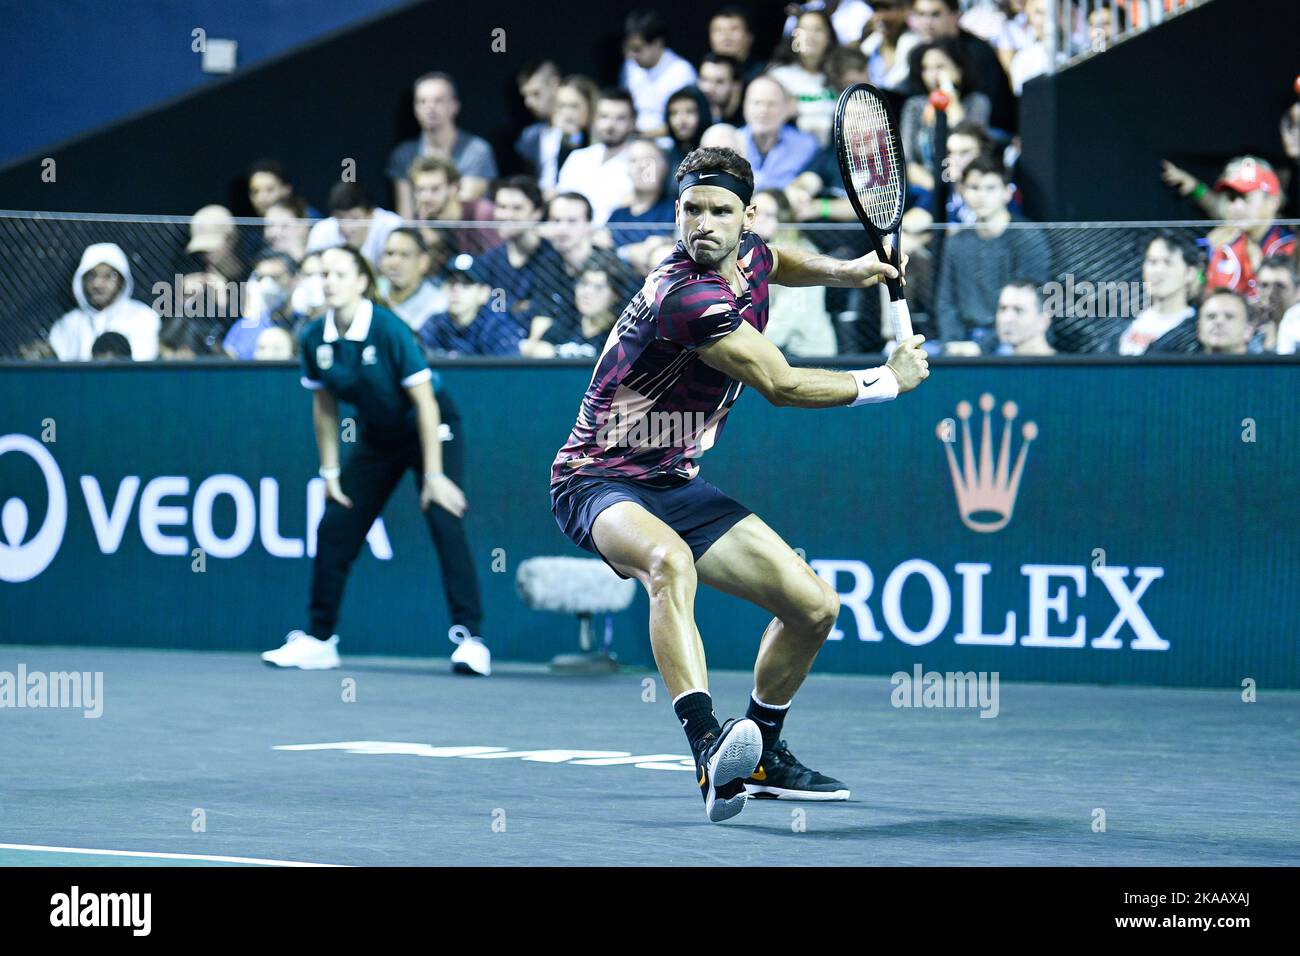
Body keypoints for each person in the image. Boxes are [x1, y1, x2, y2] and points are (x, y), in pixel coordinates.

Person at [548, 146, 929, 823]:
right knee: (667, 563)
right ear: (676, 212)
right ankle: (705, 745)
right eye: (691, 209)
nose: (704, 224)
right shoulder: (684, 295)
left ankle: (761, 754)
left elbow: (777, 260)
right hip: (595, 479)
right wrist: (885, 380)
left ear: (746, 216)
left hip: (672, 480)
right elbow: (781, 385)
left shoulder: (750, 251)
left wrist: (847, 271)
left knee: (813, 608)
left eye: (721, 211)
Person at [262, 246, 489, 675]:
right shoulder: (313, 337)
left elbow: (425, 402)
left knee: (444, 517)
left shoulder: (388, 329)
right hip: (377, 437)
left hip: (431, 425)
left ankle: (471, 640)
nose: (329, 282)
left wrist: (435, 475)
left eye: (340, 274)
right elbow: (324, 407)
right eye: (324, 274)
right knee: (335, 525)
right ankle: (320, 639)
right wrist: (329, 471)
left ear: (362, 281)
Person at [934, 157, 1050, 351]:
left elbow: (1030, 305)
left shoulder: (1028, 237)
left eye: (990, 188)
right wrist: (952, 343)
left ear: (1006, 193)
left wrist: (983, 347)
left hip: (1014, 340)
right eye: (974, 187)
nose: (981, 196)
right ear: (962, 192)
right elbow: (945, 301)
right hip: (965, 339)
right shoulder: (956, 242)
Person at [387, 72, 498, 216]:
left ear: (455, 105)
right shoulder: (403, 154)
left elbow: (460, 211)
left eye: (438, 100)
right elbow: (406, 216)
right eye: (422, 101)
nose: (430, 107)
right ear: (415, 108)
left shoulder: (477, 150)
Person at [903, 0, 1015, 135]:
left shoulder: (978, 52)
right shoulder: (916, 54)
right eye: (921, 14)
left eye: (935, 14)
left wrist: (949, 93)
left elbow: (993, 109)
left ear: (955, 16)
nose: (927, 22)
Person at [751, 188, 836, 356]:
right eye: (755, 213)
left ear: (782, 219)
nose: (759, 221)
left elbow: (788, 319)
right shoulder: (750, 252)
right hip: (773, 348)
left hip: (805, 353)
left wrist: (742, 342)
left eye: (768, 215)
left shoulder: (799, 254)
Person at [900, 39, 992, 192]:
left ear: (959, 69)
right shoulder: (915, 106)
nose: (932, 74)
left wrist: (948, 92)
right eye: (926, 68)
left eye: (940, 67)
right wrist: (936, 190)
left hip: (966, 184)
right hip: (926, 187)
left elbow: (966, 136)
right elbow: (907, 160)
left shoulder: (976, 102)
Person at [48, 242, 160, 361]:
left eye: (108, 276)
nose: (97, 284)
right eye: (91, 276)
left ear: (122, 280)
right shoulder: (69, 324)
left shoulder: (143, 318)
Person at [1204, 159, 1296, 301]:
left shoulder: (1294, 248)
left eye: (1245, 197)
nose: (1237, 206)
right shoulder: (1221, 250)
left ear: (1273, 202)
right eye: (1232, 198)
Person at [555, 88, 638, 225]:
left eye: (620, 118)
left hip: (614, 239)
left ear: (632, 123)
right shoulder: (577, 158)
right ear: (594, 119)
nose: (610, 125)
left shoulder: (643, 162)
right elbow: (559, 201)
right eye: (604, 116)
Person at [1115, 233, 1199, 356]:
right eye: (1152, 262)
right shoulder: (1124, 321)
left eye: (1168, 262)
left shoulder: (1196, 330)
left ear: (1189, 273)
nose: (1157, 271)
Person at [767, 8, 840, 146]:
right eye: (803, 30)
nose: (810, 36)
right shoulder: (777, 77)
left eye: (817, 29)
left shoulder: (842, 76)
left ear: (829, 38)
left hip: (833, 154)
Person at [621, 9, 698, 136]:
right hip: (631, 139)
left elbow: (686, 125)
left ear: (658, 44)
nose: (631, 55)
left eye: (637, 49)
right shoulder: (629, 67)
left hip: (668, 145)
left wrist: (643, 135)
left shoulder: (682, 72)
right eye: (629, 48)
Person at [419, 269, 526, 357]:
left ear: (483, 293)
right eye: (451, 283)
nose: (456, 290)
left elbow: (509, 375)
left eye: (466, 285)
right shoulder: (434, 324)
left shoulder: (497, 327)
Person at [739, 76, 820, 191]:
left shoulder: (807, 145)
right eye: (756, 103)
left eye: (771, 104)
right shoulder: (730, 141)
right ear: (745, 106)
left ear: (786, 108)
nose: (763, 110)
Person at [526, 266, 621, 359]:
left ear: (615, 296)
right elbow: (537, 348)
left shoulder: (621, 332)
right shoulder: (567, 322)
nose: (587, 292)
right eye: (583, 283)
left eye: (598, 287)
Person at [306, 182, 404, 269]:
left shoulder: (393, 227)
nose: (347, 228)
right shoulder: (322, 231)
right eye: (340, 218)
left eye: (354, 218)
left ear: (371, 214)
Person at [223, 251, 299, 359]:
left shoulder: (306, 326)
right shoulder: (244, 327)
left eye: (275, 277)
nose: (266, 284)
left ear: (294, 280)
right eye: (260, 278)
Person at [607, 137, 677, 246]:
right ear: (627, 170)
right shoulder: (617, 215)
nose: (641, 167)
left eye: (649, 160)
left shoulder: (678, 210)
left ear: (665, 166)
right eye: (634, 161)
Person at [379, 228, 447, 333]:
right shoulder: (372, 292)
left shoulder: (437, 305)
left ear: (423, 262)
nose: (395, 263)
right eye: (389, 253)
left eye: (405, 255)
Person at [514, 60, 563, 185]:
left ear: (555, 84)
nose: (528, 103)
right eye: (525, 95)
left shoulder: (577, 129)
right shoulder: (529, 135)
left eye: (536, 94)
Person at [659, 86, 713, 178]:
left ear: (703, 113)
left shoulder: (715, 150)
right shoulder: (667, 155)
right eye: (674, 113)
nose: (681, 120)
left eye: (690, 111)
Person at [708, 5, 767, 83]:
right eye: (719, 30)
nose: (726, 35)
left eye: (734, 29)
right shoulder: (702, 73)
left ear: (749, 36)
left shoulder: (764, 74)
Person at [993, 280, 1054, 355]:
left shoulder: (1061, 366)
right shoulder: (995, 365)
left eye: (1018, 310)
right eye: (1003, 308)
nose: (1006, 319)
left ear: (1044, 322)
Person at [1252, 256, 1297, 353]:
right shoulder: (1247, 332)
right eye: (1264, 285)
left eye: (1279, 286)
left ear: (1298, 291)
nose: (1270, 294)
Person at [1190, 289, 1254, 355]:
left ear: (1248, 330)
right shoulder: (1185, 364)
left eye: (1229, 316)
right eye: (1211, 316)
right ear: (1199, 328)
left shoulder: (1262, 365)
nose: (1219, 321)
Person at [696, 52, 745, 126]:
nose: (708, 89)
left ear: (736, 86)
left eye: (719, 82)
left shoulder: (747, 122)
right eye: (704, 80)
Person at [263, 197, 312, 262]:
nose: (274, 233)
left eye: (284, 226)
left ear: (303, 226)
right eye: (269, 226)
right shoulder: (261, 266)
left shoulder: (317, 266)